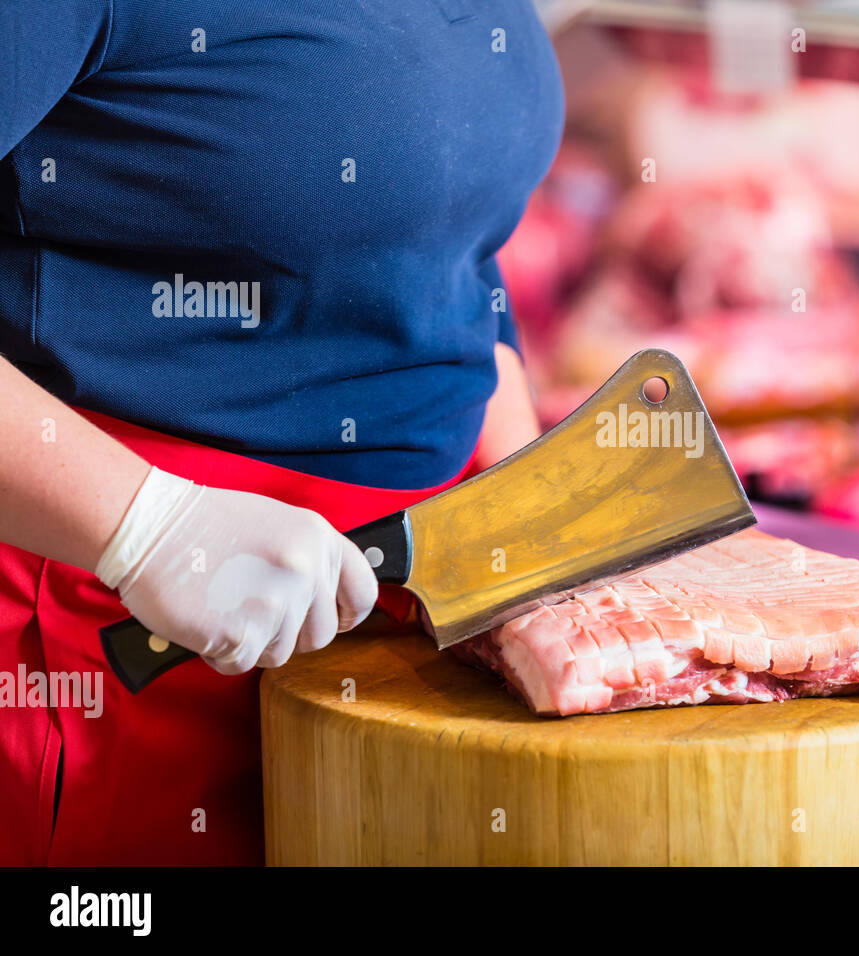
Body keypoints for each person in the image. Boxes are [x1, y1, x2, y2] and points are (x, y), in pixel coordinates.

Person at [0, 0, 563, 864]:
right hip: (120, 633)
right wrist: (149, 532)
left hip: (412, 642)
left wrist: (531, 499)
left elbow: (449, 237)